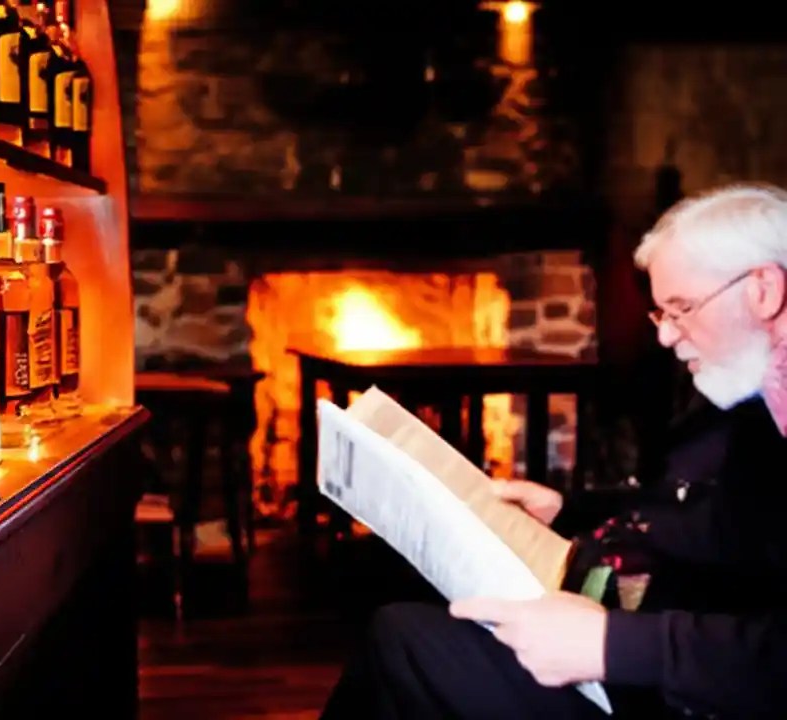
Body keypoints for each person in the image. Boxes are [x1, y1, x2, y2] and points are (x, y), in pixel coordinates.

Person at [319, 182, 787, 719]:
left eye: (682, 308)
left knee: (403, 644)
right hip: (655, 636)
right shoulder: (749, 390)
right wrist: (569, 508)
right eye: (661, 314)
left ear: (764, 289)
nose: (666, 336)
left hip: (685, 682)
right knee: (401, 626)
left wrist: (611, 646)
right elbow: (700, 508)